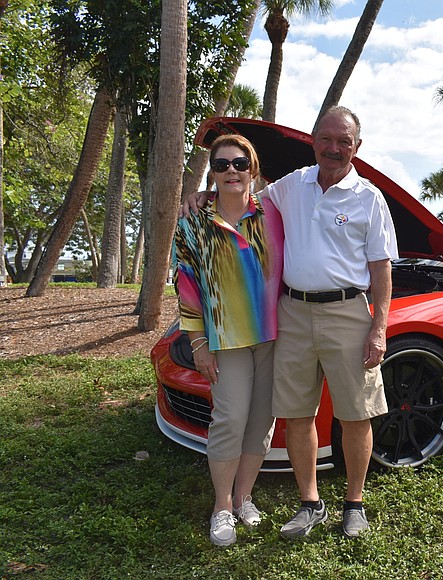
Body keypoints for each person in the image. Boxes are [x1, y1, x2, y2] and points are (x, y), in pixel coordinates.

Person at [187, 106, 398, 539]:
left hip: (347, 313)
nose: (334, 148)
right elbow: (242, 197)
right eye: (326, 138)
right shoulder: (291, 185)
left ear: (357, 147)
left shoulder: (369, 197)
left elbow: (381, 268)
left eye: (344, 141)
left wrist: (379, 328)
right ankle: (309, 503)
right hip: (293, 314)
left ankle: (354, 504)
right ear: (313, 140)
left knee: (356, 415)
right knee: (299, 414)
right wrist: (207, 196)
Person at [175, 134, 283, 546]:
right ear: (212, 173)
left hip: (273, 336)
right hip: (226, 338)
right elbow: (185, 285)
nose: (231, 171)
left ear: (252, 168)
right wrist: (199, 343)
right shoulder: (193, 221)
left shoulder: (274, 211)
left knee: (261, 423)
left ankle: (243, 498)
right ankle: (221, 506)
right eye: (221, 165)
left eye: (239, 163)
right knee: (230, 419)